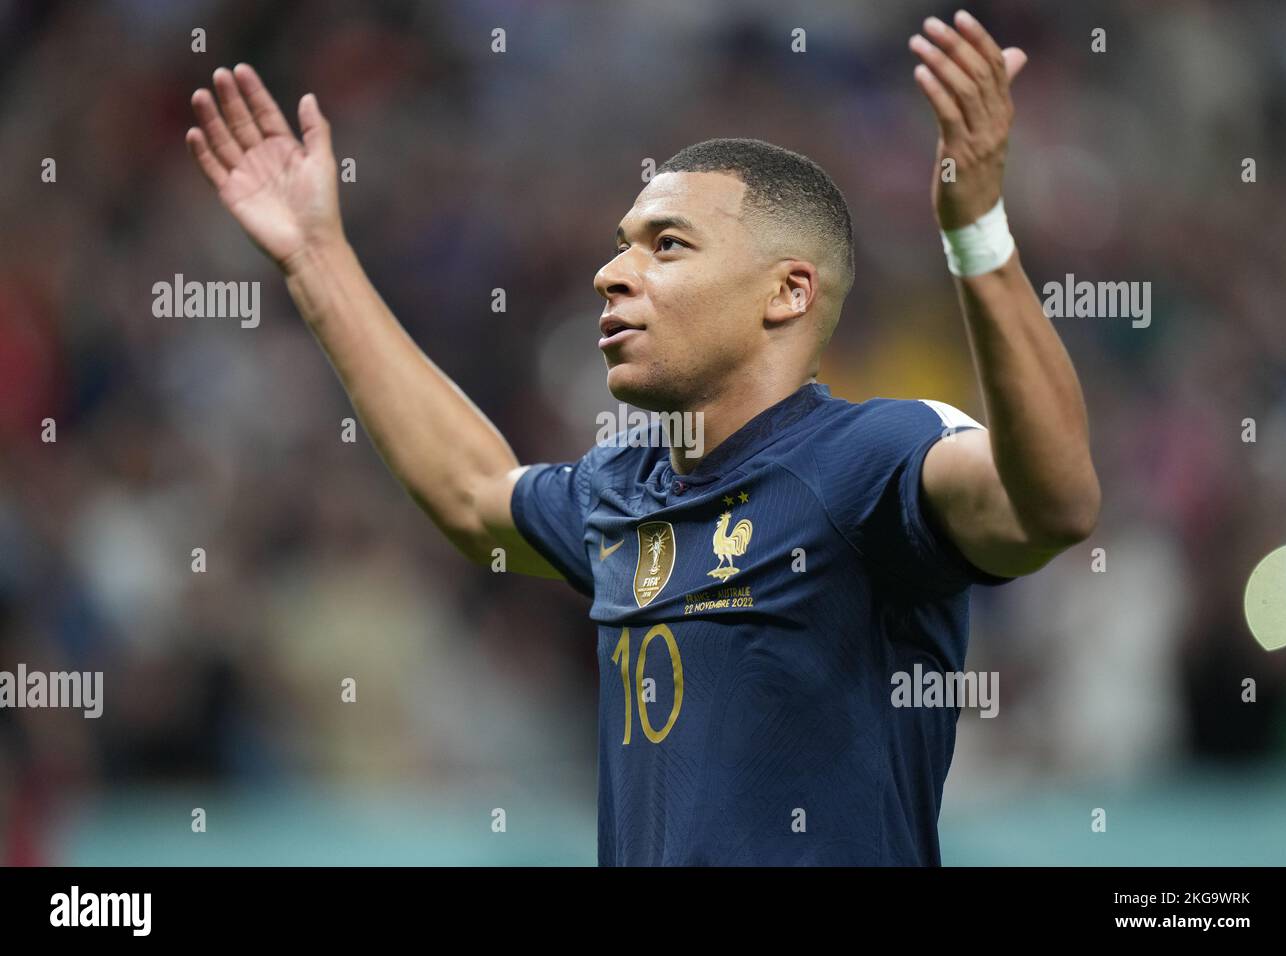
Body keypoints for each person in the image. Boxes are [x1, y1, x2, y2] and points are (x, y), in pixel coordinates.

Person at [185, 10, 1099, 865]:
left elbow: (1054, 504)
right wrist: (314, 258)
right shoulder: (621, 490)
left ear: (788, 292)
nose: (611, 272)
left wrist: (976, 230)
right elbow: (472, 493)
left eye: (666, 246)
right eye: (622, 243)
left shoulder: (872, 457)